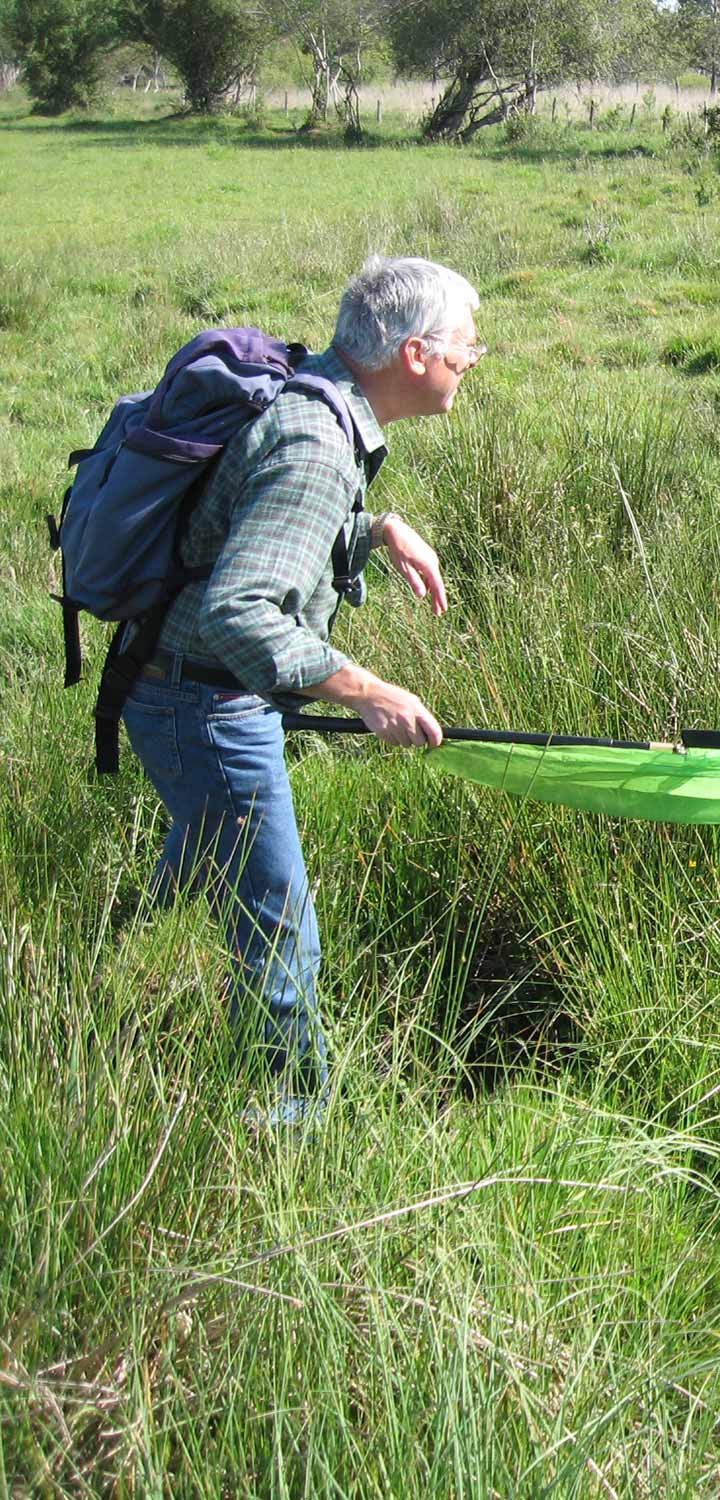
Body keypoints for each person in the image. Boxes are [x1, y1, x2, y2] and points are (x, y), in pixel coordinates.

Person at [121, 255, 483, 1128]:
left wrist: (378, 527)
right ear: (413, 354)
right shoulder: (319, 443)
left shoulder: (315, 398)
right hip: (203, 703)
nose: (475, 359)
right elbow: (239, 614)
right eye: (468, 346)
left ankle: (117, 969)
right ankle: (291, 1120)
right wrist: (366, 690)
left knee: (209, 849)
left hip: (175, 687)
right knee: (281, 929)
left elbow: (248, 519)